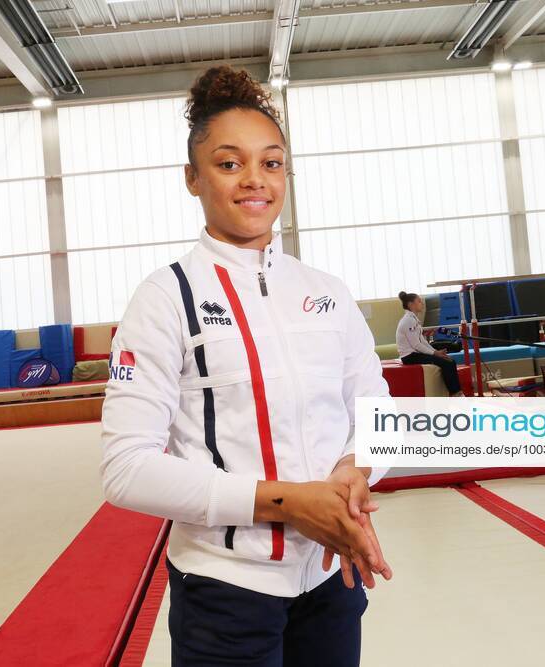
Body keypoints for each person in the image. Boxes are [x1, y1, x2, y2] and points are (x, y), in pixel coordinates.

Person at [100, 66, 393, 667]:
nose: (255, 180)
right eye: (229, 163)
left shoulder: (327, 291)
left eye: (272, 162)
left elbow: (375, 412)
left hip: (330, 581)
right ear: (192, 177)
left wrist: (354, 476)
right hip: (226, 594)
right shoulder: (165, 298)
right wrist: (289, 503)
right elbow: (127, 469)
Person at [396, 291, 465, 397]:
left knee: (448, 359)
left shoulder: (413, 319)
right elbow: (416, 345)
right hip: (410, 357)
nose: (422, 304)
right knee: (448, 363)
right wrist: (434, 354)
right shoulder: (408, 321)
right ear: (411, 305)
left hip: (415, 353)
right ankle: (456, 393)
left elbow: (422, 341)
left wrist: (435, 352)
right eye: (419, 301)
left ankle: (455, 392)